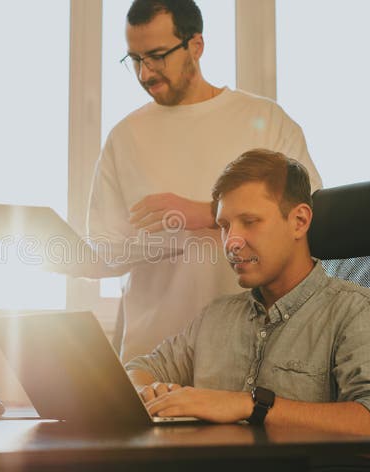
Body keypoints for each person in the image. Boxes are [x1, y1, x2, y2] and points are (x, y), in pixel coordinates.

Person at [125, 149, 370, 446]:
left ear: (299, 221)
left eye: (249, 221)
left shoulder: (362, 313)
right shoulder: (215, 317)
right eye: (225, 226)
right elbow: (139, 371)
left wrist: (250, 406)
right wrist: (147, 394)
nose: (231, 242)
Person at [86, 0, 322, 362]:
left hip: (250, 358)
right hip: (151, 360)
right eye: (134, 59)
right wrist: (73, 260)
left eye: (157, 56)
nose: (145, 74)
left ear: (195, 45)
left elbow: (310, 220)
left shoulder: (266, 120)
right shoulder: (123, 137)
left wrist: (210, 214)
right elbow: (105, 248)